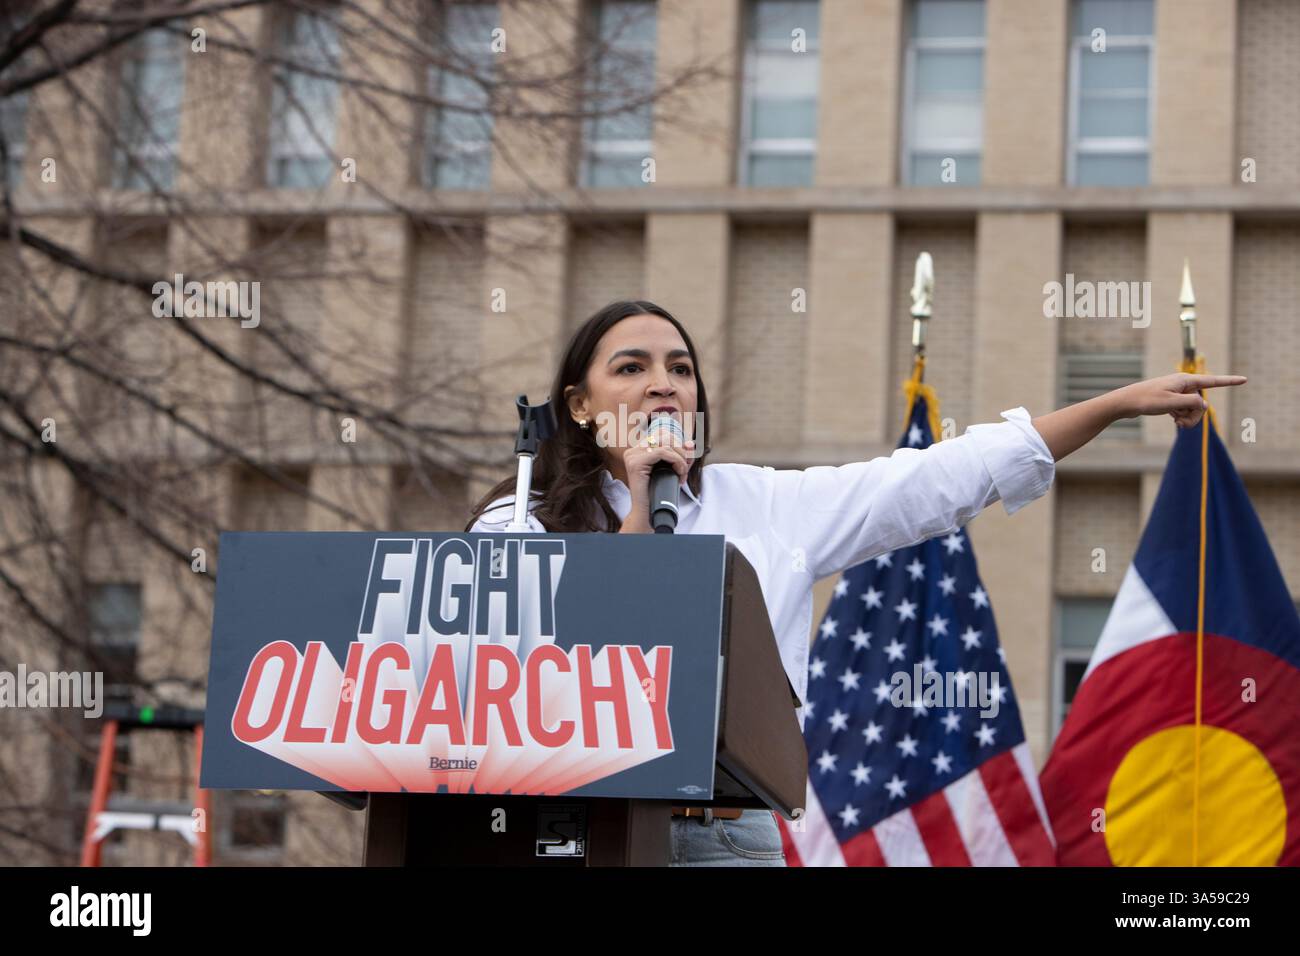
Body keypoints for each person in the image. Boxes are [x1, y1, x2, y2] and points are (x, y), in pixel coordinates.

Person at [464, 299, 1247, 866]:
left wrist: (1111, 405)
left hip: (725, 837)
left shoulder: (763, 504)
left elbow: (931, 483)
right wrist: (640, 498)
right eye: (631, 368)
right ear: (578, 404)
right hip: (569, 831)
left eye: (680, 368)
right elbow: (585, 657)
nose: (664, 383)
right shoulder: (515, 524)